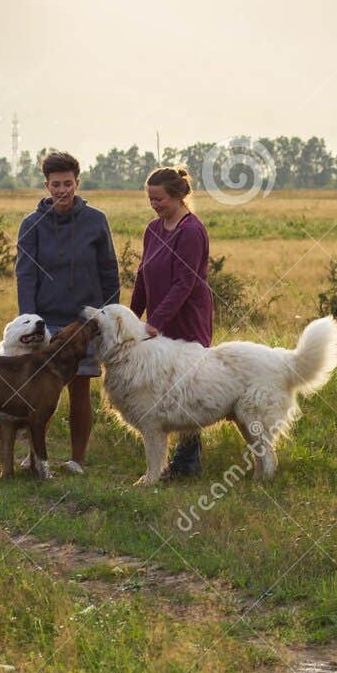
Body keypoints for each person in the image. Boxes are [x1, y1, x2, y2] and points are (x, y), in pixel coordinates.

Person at [15, 150, 120, 473]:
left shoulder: (96, 220)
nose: (62, 190)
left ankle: (77, 459)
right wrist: (30, 323)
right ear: (47, 186)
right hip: (45, 321)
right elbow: (25, 275)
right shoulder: (31, 225)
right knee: (39, 392)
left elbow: (109, 271)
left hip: (83, 322)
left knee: (80, 388)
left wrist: (107, 316)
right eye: (56, 184)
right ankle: (35, 456)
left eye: (68, 184)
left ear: (78, 182)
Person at [130, 165, 215, 478]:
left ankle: (187, 461)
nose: (154, 205)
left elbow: (185, 283)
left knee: (187, 385)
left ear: (179, 196)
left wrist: (155, 322)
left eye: (160, 199)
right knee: (162, 385)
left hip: (188, 318)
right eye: (150, 199)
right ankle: (169, 460)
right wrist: (132, 317)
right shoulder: (152, 230)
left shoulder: (191, 231)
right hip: (158, 319)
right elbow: (143, 276)